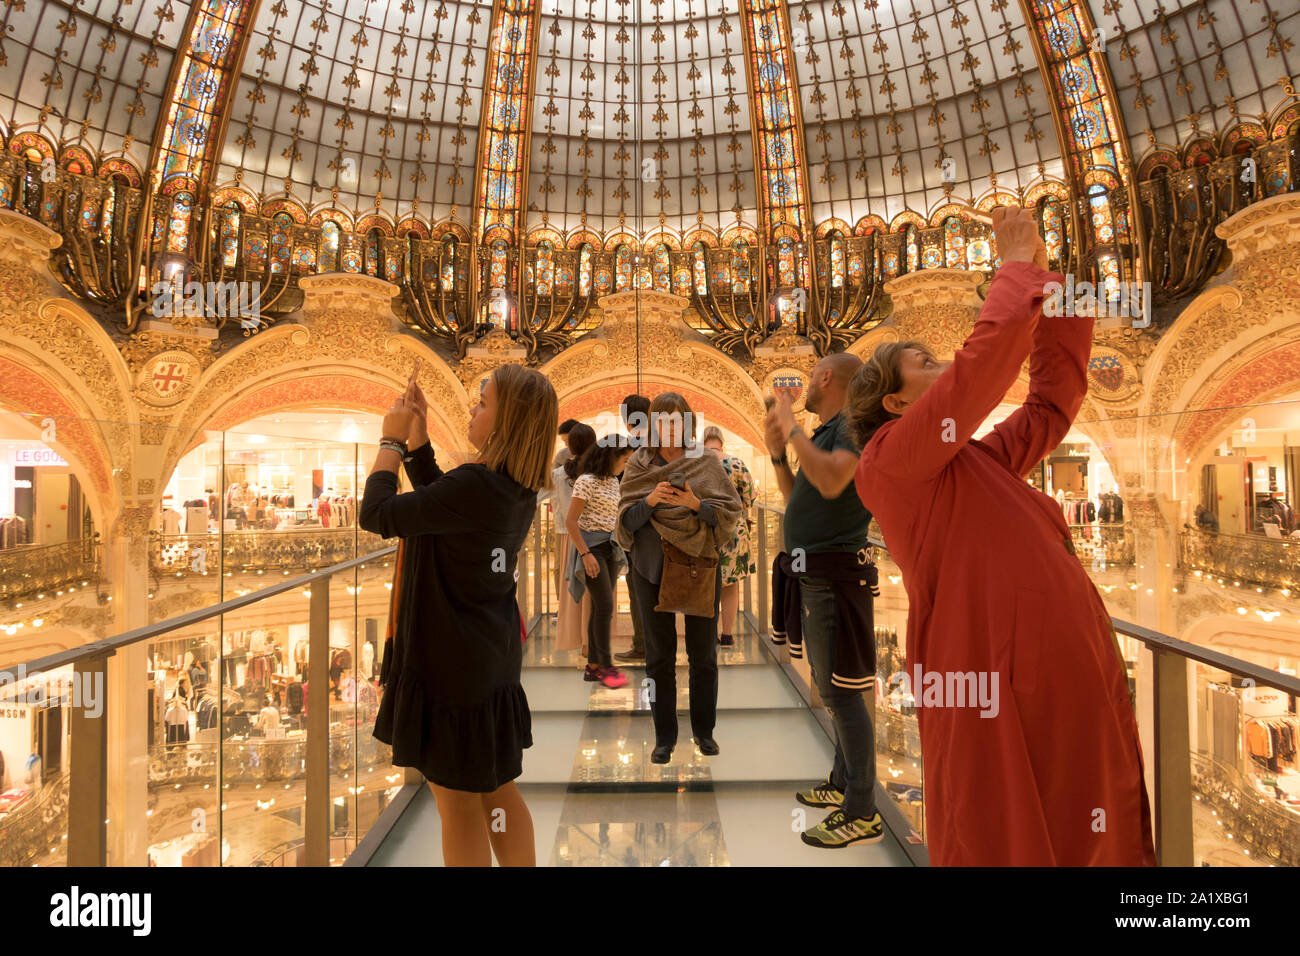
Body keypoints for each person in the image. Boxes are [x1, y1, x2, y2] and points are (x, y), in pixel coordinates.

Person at [846, 205, 1155, 866]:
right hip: (986, 667)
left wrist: (1060, 296)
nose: (945, 365)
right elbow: (979, 375)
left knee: (1073, 815)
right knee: (1001, 821)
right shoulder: (891, 459)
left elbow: (1049, 407)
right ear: (896, 404)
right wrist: (1014, 268)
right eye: (924, 362)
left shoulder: (970, 462)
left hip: (1047, 672)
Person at [360, 362, 558, 867]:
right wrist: (421, 444)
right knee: (495, 789)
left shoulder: (478, 486)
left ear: (507, 420)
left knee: (457, 803)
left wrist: (391, 442)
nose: (474, 406)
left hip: (450, 661)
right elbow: (443, 508)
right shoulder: (508, 485)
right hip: (485, 656)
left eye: (484, 401)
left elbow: (378, 513)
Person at [765, 353, 884, 849]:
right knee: (832, 684)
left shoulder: (854, 426)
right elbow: (800, 497)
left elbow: (834, 479)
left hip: (836, 576)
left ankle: (862, 809)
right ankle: (841, 782)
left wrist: (791, 424)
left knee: (840, 693)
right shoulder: (830, 429)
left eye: (811, 380)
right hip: (817, 574)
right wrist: (777, 455)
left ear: (825, 378)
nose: (806, 389)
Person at [615, 393, 742, 763]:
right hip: (650, 570)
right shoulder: (639, 465)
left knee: (703, 654)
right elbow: (626, 522)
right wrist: (651, 500)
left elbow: (729, 513)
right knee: (658, 658)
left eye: (676, 420)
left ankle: (704, 732)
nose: (669, 428)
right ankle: (664, 737)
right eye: (663, 421)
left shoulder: (704, 461)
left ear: (686, 423)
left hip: (699, 565)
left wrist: (694, 505)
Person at [565, 435, 633, 688]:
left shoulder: (614, 481)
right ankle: (606, 666)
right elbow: (571, 522)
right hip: (591, 548)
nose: (625, 465)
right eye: (624, 459)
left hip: (609, 548)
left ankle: (593, 666)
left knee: (600, 607)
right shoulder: (586, 481)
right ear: (611, 457)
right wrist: (585, 553)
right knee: (605, 606)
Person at [701, 426, 756, 648]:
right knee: (730, 585)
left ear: (703, 442)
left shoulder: (698, 463)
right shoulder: (736, 464)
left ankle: (709, 634)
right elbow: (750, 497)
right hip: (734, 531)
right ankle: (727, 635)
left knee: (707, 584)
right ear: (721, 443)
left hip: (706, 530)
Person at [615, 395, 652, 664]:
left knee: (637, 587)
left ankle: (643, 645)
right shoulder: (662, 444)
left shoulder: (625, 448)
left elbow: (618, 486)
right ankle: (660, 644)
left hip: (634, 526)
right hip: (662, 523)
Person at [553, 424, 596, 654]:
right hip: (595, 536)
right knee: (593, 591)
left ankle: (574, 639)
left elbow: (537, 495)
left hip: (570, 537)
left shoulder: (559, 475)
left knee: (572, 591)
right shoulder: (600, 474)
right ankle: (591, 644)